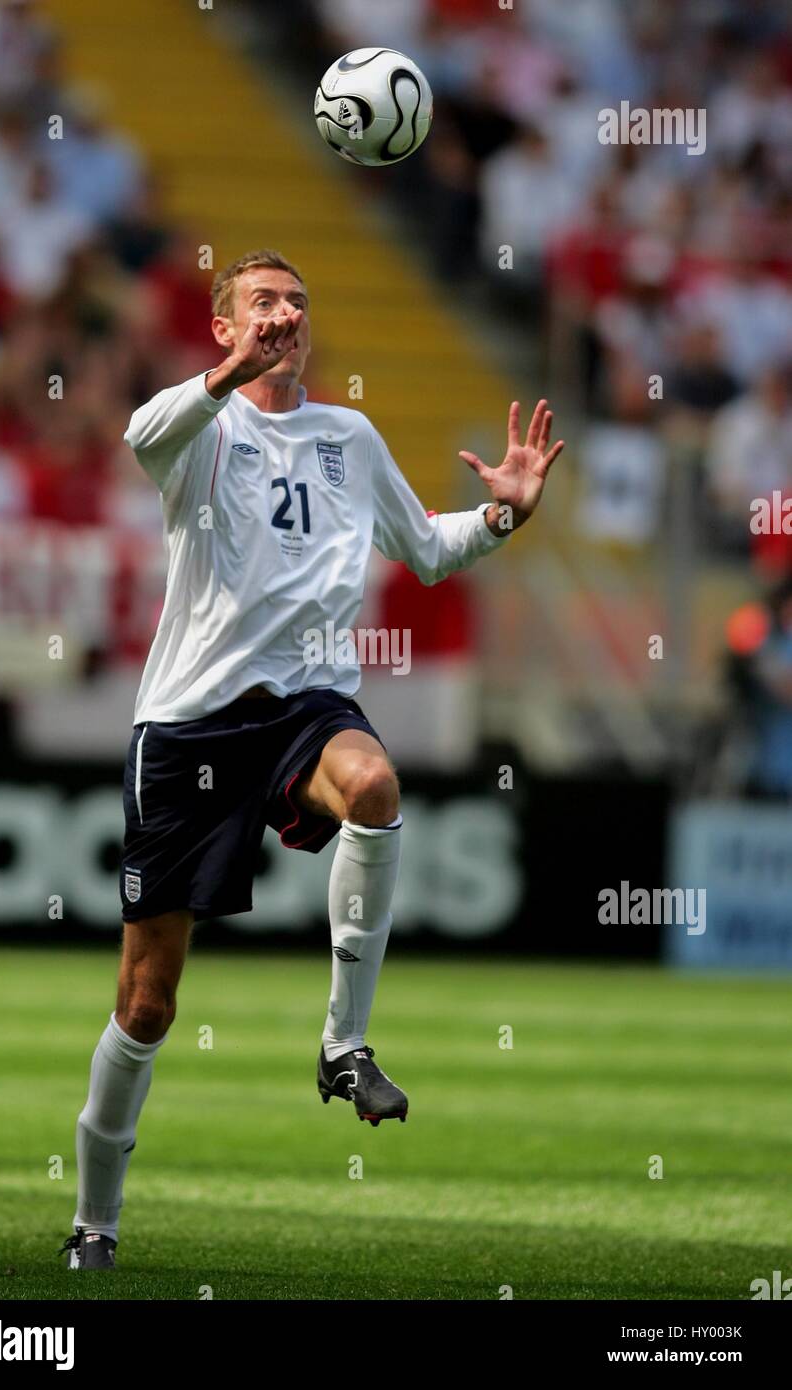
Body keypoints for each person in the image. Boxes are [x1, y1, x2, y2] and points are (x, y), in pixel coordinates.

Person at [61, 248, 564, 1269]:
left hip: (307, 711)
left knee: (374, 784)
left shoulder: (349, 435)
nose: (283, 314)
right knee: (147, 1002)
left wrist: (504, 510)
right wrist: (228, 375)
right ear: (224, 325)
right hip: (191, 727)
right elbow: (138, 431)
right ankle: (94, 1223)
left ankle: (343, 1046)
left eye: (295, 300)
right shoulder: (202, 427)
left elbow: (423, 547)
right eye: (260, 302)